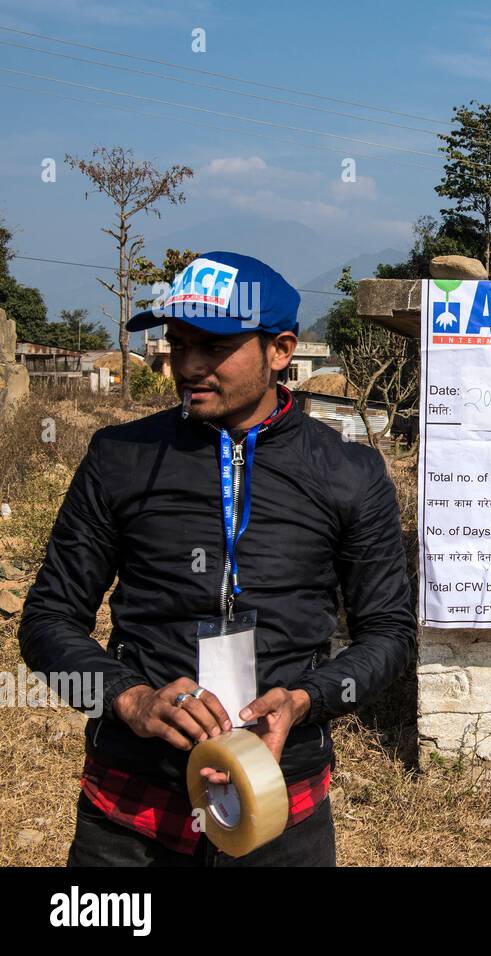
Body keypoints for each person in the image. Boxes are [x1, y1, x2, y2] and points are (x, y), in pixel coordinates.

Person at [18, 250, 415, 866]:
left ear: (280, 351)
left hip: (280, 807)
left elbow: (389, 633)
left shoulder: (348, 473)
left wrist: (305, 700)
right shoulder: (119, 457)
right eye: (178, 344)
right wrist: (130, 698)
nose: (188, 367)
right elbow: (48, 620)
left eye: (215, 347)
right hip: (131, 811)